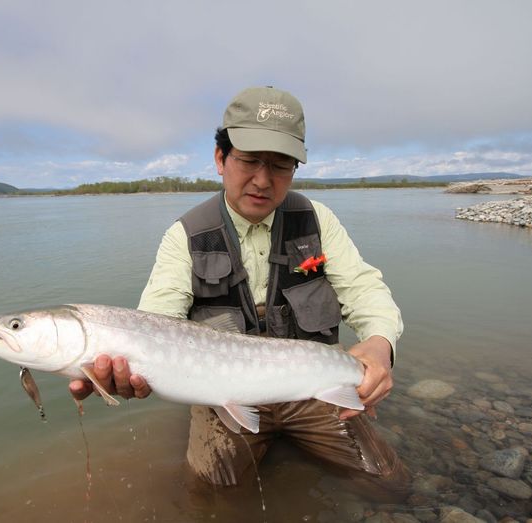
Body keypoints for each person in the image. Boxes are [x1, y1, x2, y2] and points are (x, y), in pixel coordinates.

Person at [70, 86, 409, 501]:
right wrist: (124, 372)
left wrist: (378, 345)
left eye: (280, 166)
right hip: (221, 392)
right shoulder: (185, 237)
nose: (263, 180)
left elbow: (365, 289)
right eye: (249, 161)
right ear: (220, 159)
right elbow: (155, 322)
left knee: (389, 484)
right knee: (211, 495)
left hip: (310, 384)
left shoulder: (318, 221)